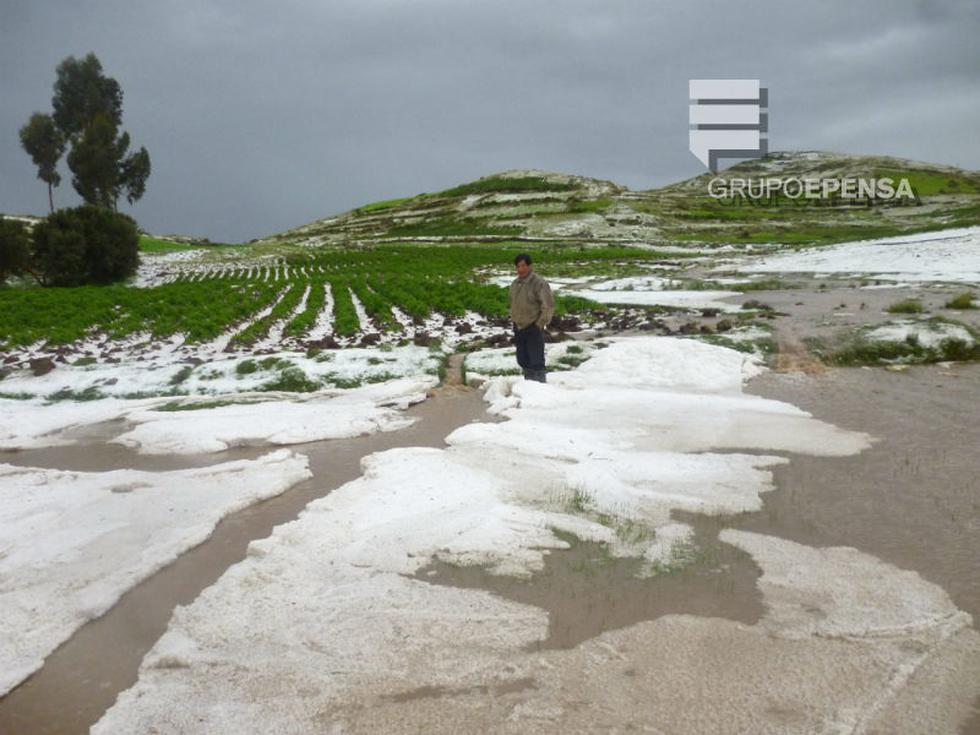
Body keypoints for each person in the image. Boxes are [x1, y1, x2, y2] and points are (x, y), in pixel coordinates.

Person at [508, 253, 554, 383]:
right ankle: (529, 385)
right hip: (519, 327)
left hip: (533, 326)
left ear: (530, 266)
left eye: (523, 266)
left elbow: (548, 305)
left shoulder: (539, 283)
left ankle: (539, 388)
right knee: (522, 359)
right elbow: (512, 301)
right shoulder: (515, 283)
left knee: (536, 361)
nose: (520, 269)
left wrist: (540, 323)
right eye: (518, 266)